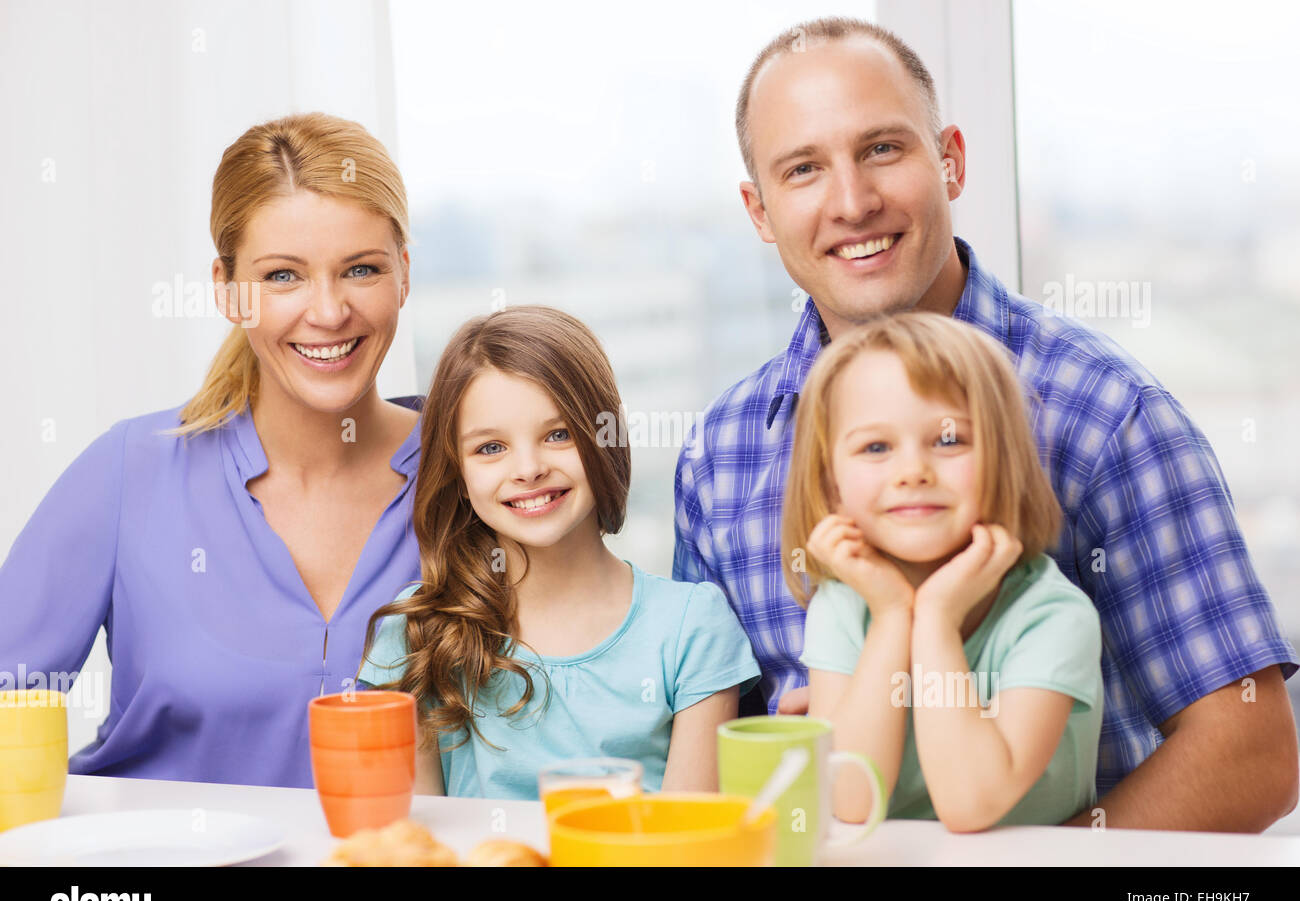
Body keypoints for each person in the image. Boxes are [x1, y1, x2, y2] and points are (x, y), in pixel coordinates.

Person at [673, 17, 1298, 830]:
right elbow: (704, 758)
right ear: (760, 210)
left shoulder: (1108, 414)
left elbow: (1249, 754)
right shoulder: (719, 457)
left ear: (951, 161)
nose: (853, 202)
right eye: (803, 170)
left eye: (883, 150)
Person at [0, 113, 425, 788]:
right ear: (227, 289)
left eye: (361, 269)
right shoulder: (128, 472)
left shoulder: (473, 478)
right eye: (283, 277)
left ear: (403, 273)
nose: (329, 311)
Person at [356, 306, 759, 800]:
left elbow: (687, 839)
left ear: (604, 441)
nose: (528, 469)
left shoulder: (693, 627)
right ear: (458, 477)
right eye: (490, 448)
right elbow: (416, 843)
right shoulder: (416, 633)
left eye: (558, 435)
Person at [788, 311, 1102, 831]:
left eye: (949, 440)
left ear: (1005, 460)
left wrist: (933, 618)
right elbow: (850, 800)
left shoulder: (1052, 616)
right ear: (831, 486)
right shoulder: (843, 607)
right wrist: (892, 617)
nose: (913, 472)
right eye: (876, 447)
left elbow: (970, 804)